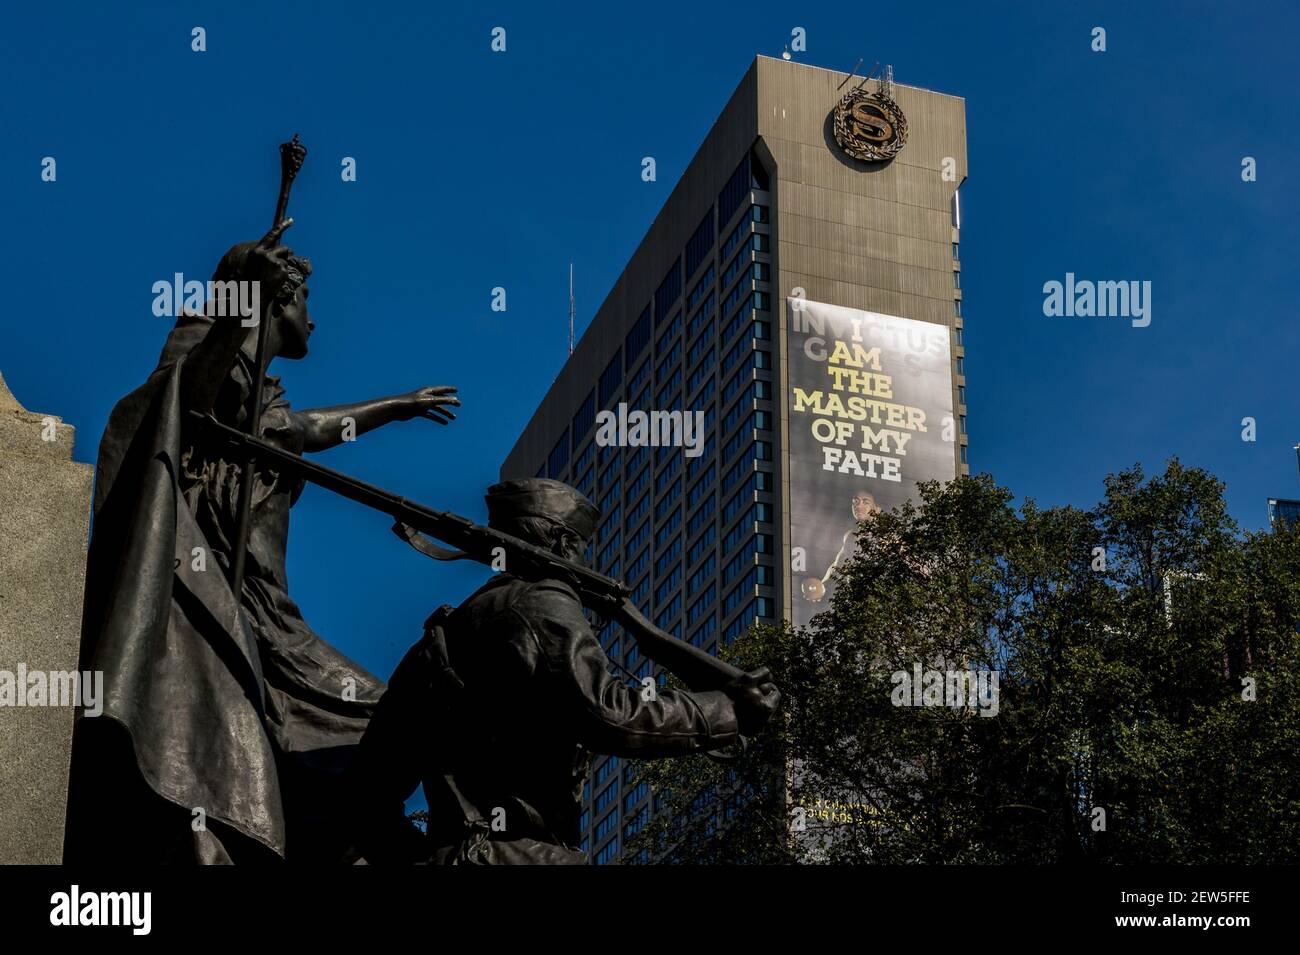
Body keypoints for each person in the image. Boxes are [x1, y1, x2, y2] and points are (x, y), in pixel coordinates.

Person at [66, 221, 460, 863]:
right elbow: (187, 394)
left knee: (367, 722)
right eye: (307, 302)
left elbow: (306, 430)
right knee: (353, 720)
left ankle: (357, 834)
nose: (316, 321)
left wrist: (399, 405)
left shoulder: (263, 399)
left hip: (268, 610)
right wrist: (242, 294)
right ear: (278, 300)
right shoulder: (203, 351)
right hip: (212, 597)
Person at [348, 478, 781, 864]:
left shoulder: (438, 640)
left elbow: (368, 795)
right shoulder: (542, 600)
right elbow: (609, 715)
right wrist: (725, 711)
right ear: (560, 542)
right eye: (579, 546)